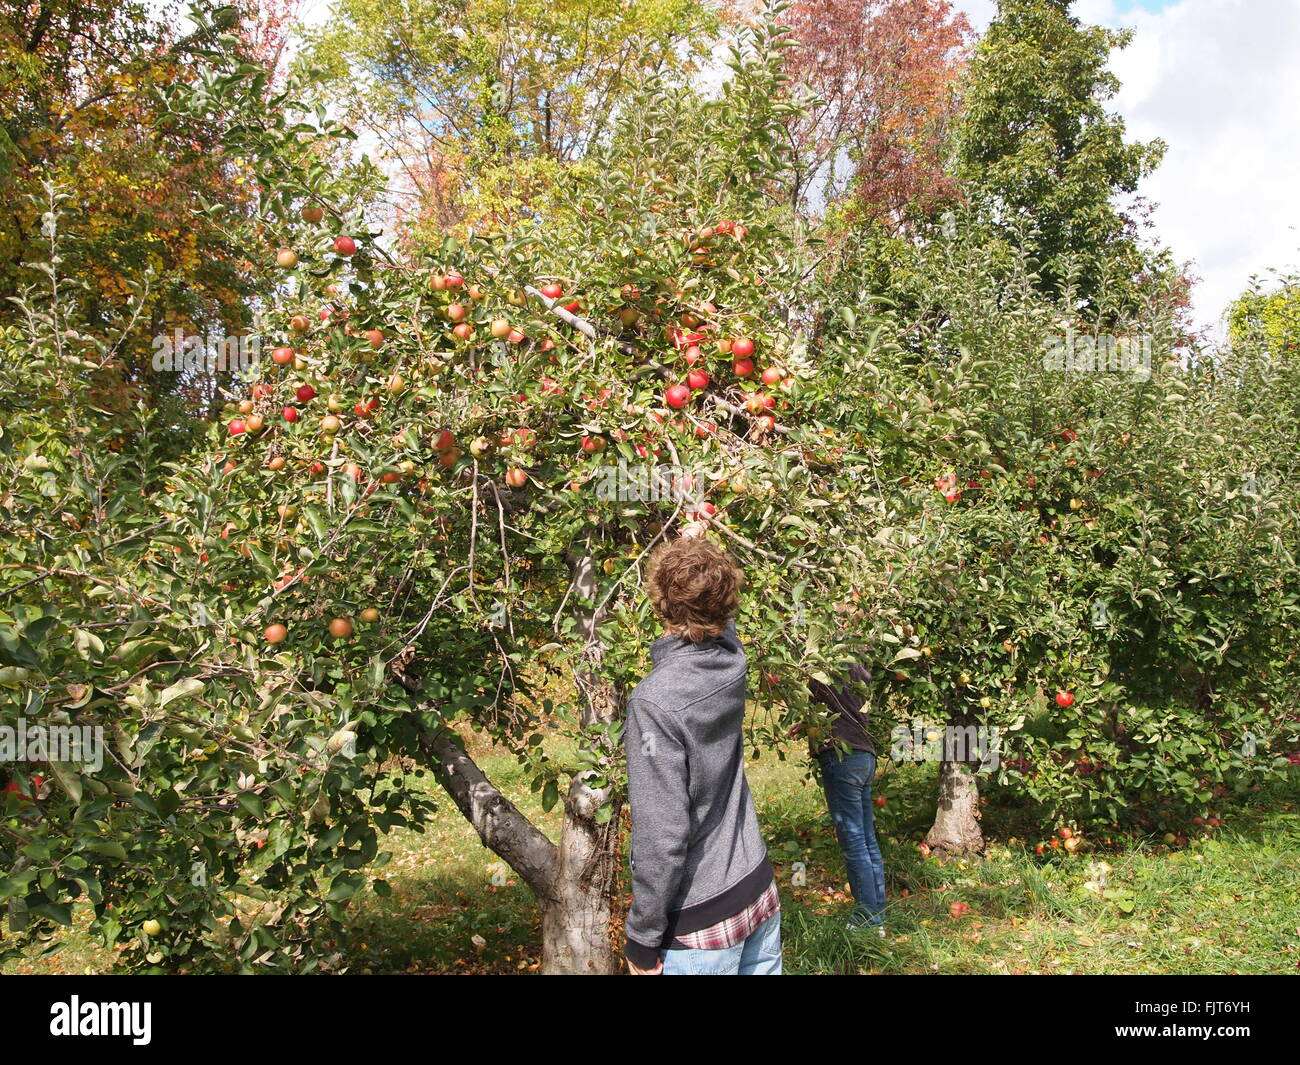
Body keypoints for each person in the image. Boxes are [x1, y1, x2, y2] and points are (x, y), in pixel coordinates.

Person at [622, 535, 781, 975]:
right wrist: (707, 562)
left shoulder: (655, 702)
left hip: (701, 923)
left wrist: (642, 939)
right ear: (727, 603)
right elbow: (718, 622)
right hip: (756, 890)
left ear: (660, 604)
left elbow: (662, 835)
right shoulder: (733, 660)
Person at [808, 663, 887, 933]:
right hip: (864, 756)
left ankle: (868, 918)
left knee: (853, 843)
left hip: (842, 757)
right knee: (866, 840)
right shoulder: (860, 665)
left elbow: (807, 691)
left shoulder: (824, 665)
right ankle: (877, 912)